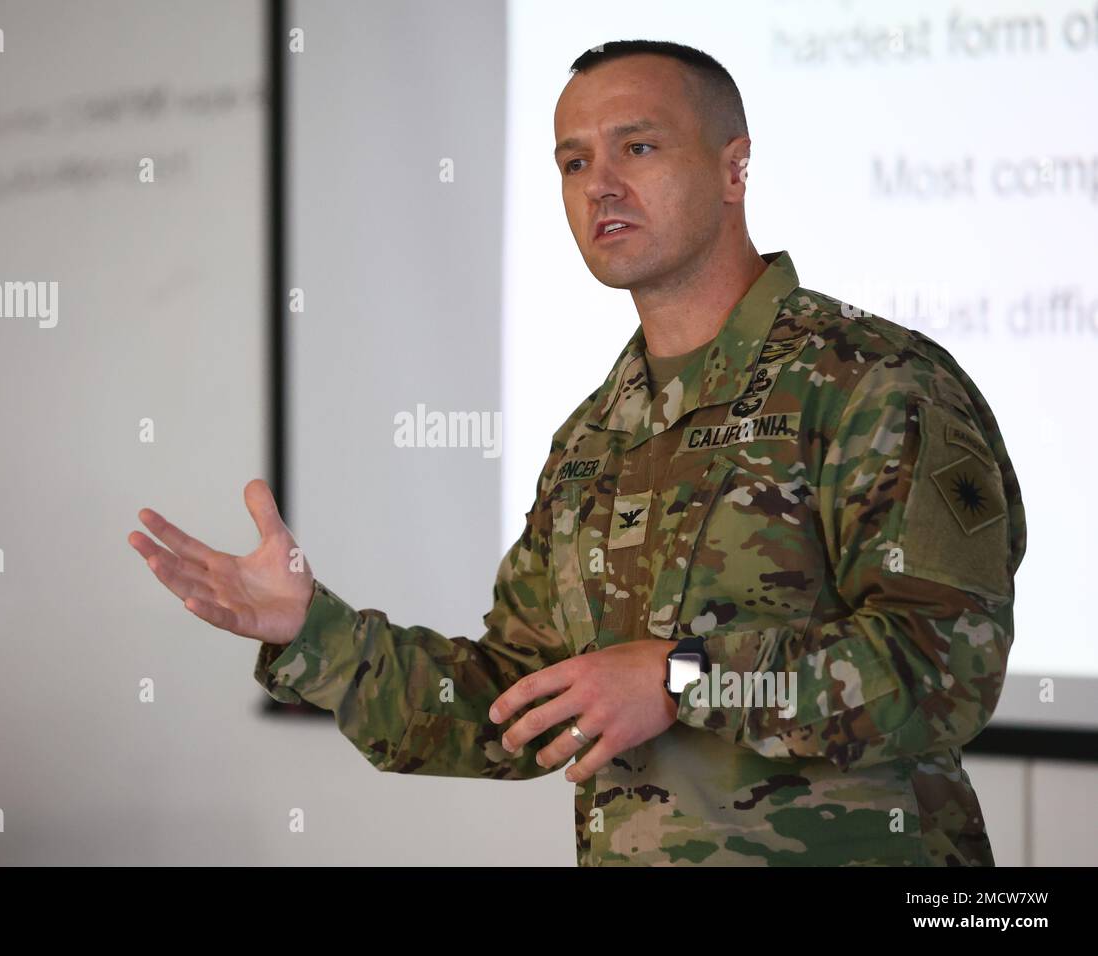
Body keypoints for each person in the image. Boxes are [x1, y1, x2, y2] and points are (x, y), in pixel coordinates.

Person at [128, 40, 1026, 866]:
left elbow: (949, 666)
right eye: (573, 161)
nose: (600, 184)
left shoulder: (875, 382)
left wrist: (680, 680)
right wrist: (313, 633)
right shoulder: (597, 435)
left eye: (637, 148)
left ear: (732, 167)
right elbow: (515, 700)